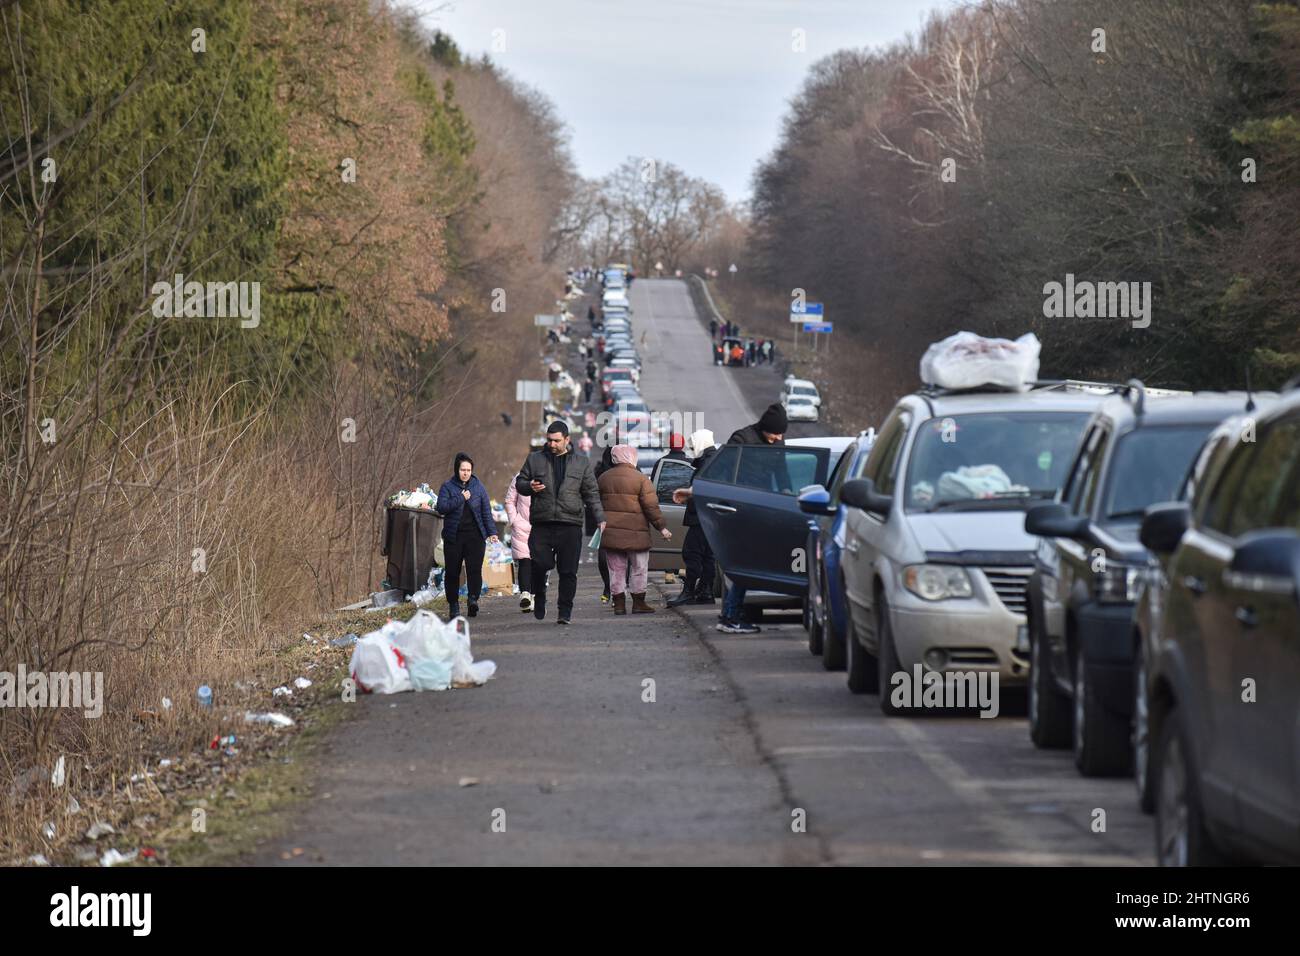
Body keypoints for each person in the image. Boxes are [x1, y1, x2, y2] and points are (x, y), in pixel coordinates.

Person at [671, 404, 787, 633]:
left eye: (782, 434)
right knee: (743, 565)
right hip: (741, 511)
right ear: (765, 428)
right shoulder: (742, 438)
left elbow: (782, 477)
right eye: (775, 433)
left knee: (749, 566)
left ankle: (731, 615)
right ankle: (731, 615)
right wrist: (695, 492)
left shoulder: (777, 442)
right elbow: (720, 472)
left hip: (764, 511)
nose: (778, 438)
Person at [515, 421, 605, 625]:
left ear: (567, 440)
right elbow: (520, 482)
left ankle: (565, 611)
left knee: (568, 571)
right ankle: (540, 595)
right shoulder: (534, 459)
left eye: (556, 441)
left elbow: (591, 493)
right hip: (542, 522)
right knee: (539, 563)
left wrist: (600, 517)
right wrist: (529, 485)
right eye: (549, 440)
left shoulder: (581, 463)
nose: (552, 444)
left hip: (570, 523)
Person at [598, 444, 671, 614]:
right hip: (637, 534)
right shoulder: (641, 479)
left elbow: (595, 504)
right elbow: (651, 507)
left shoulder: (603, 478)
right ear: (632, 457)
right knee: (639, 568)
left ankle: (619, 604)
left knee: (616, 569)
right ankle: (638, 603)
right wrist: (662, 528)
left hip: (611, 532)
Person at [436, 453, 499, 619]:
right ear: (457, 470)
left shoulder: (478, 487)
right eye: (463, 469)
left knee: (474, 570)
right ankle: (454, 605)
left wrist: (492, 532)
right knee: (452, 572)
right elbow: (441, 507)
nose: (466, 473)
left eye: (468, 470)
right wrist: (461, 498)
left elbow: (486, 511)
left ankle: (473, 600)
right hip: (454, 537)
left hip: (475, 536)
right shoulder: (448, 486)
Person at [667, 429, 718, 607]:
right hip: (708, 517)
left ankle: (689, 592)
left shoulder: (707, 462)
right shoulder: (712, 460)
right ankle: (705, 591)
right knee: (707, 557)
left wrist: (690, 496)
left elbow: (704, 489)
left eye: (692, 444)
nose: (690, 448)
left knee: (692, 553)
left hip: (701, 518)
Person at [503, 475, 533, 613]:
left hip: (543, 526)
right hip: (522, 526)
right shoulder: (520, 478)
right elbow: (510, 500)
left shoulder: (549, 474)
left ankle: (535, 595)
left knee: (541, 563)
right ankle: (525, 595)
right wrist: (514, 520)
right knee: (525, 560)